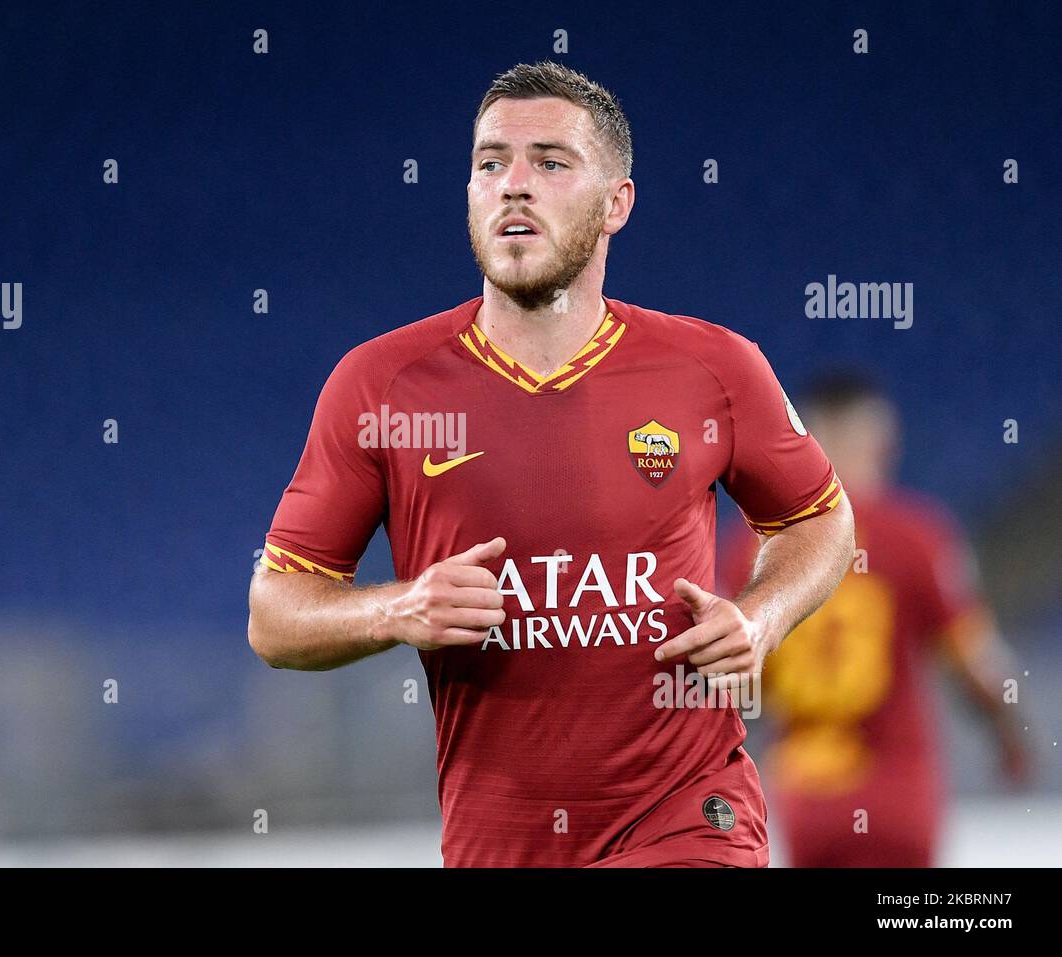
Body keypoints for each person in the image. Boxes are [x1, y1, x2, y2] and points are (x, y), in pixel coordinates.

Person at [248, 61, 855, 867]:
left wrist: (760, 617)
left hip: (686, 815)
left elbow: (821, 517)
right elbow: (273, 614)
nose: (514, 186)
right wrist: (395, 609)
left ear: (617, 204)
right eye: (491, 162)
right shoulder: (381, 384)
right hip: (497, 843)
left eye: (551, 162)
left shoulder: (714, 368)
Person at [717, 370, 1030, 867]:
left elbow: (729, 679)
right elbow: (976, 665)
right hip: (898, 794)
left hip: (807, 794)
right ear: (882, 442)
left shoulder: (749, 546)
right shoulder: (917, 536)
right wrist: (1011, 736)